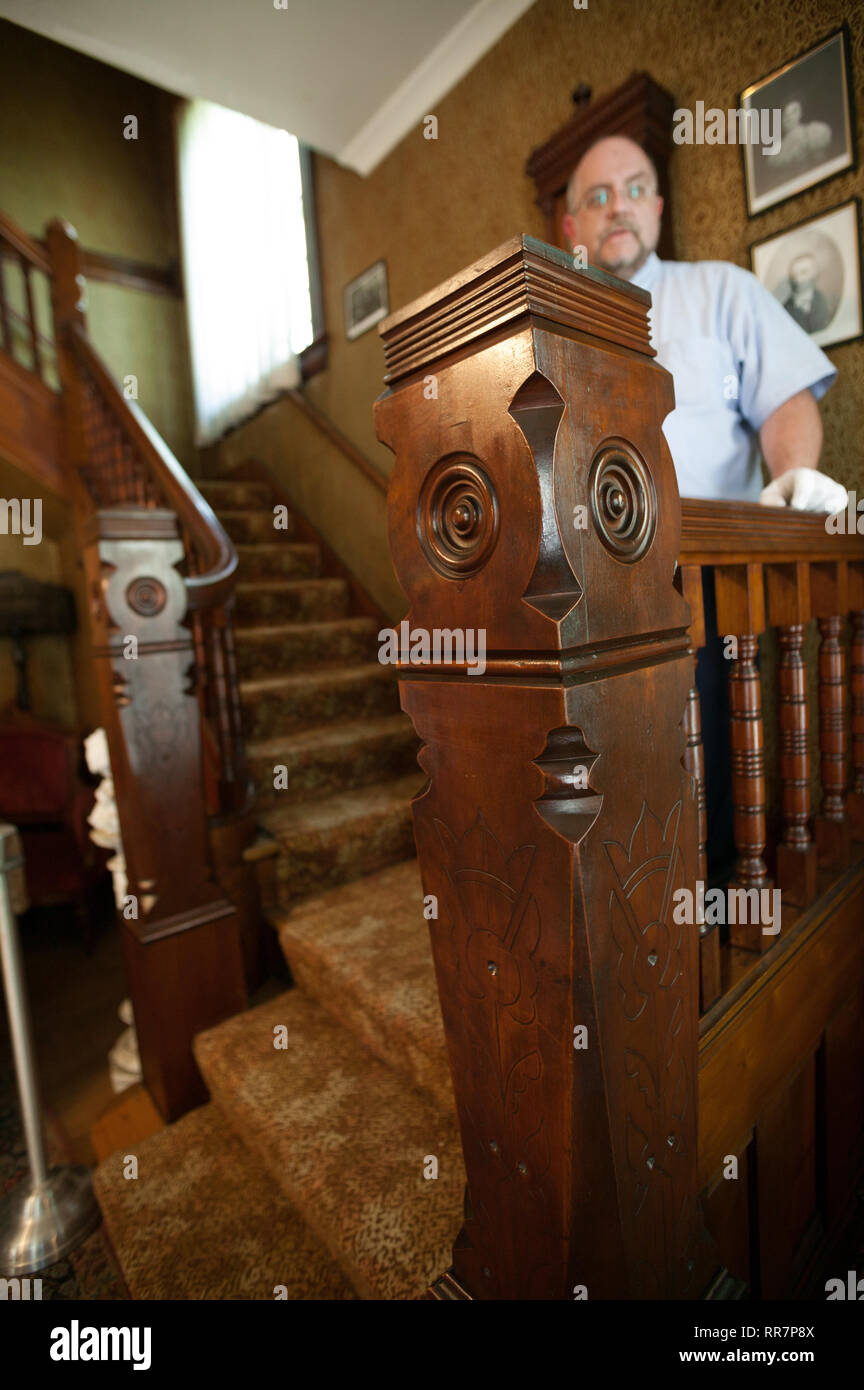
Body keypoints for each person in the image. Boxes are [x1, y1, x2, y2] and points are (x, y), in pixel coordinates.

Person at [561, 134, 848, 884]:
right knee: (606, 798)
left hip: (709, 597)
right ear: (571, 228)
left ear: (656, 206)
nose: (615, 206)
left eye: (631, 188)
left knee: (713, 791)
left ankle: (712, 939)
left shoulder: (722, 291)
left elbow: (785, 398)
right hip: (589, 605)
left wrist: (796, 482)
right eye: (596, 196)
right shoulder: (552, 333)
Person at [783, 251, 832, 334]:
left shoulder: (825, 301)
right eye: (794, 275)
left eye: (803, 272)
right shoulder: (784, 310)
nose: (798, 279)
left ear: (815, 273)